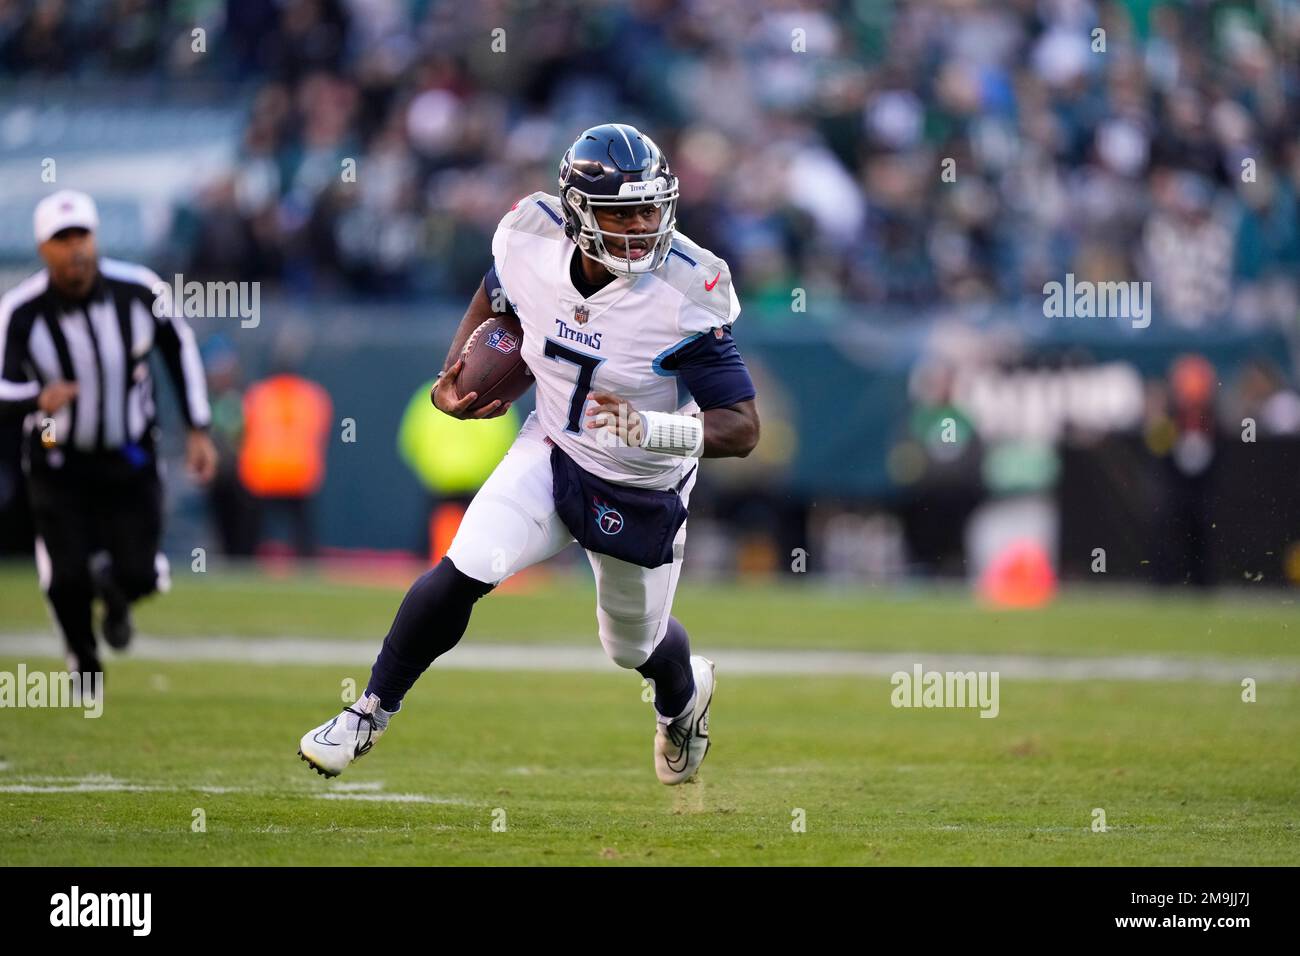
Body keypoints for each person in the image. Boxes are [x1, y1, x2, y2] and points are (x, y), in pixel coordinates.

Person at [299, 124, 760, 785]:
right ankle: (368, 710)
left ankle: (683, 698)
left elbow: (742, 427)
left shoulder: (686, 289)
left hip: (640, 482)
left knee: (631, 644)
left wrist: (653, 431)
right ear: (577, 212)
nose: (641, 224)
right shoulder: (530, 238)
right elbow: (497, 298)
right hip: (550, 447)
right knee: (469, 561)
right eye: (621, 210)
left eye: (650, 207)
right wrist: (456, 370)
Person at [0, 190, 217, 680]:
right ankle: (83, 658)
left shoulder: (137, 290)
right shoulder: (22, 311)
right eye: (61, 239)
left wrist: (198, 427)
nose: (74, 248)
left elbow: (178, 346)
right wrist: (38, 399)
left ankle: (117, 598)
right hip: (57, 455)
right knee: (66, 577)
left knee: (141, 573)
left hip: (128, 453)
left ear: (95, 239)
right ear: (42, 249)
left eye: (81, 235)